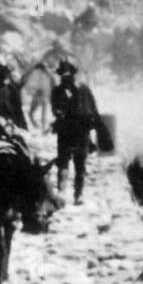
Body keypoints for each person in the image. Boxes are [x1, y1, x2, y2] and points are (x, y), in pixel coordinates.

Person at [50, 60, 107, 204]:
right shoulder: (57, 91)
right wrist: (59, 113)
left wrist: (98, 126)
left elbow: (93, 108)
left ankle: (78, 193)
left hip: (81, 131)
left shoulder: (84, 89)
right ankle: (61, 191)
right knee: (63, 162)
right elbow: (55, 108)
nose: (66, 77)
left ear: (74, 74)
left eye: (68, 74)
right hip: (65, 130)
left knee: (80, 163)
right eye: (63, 75)